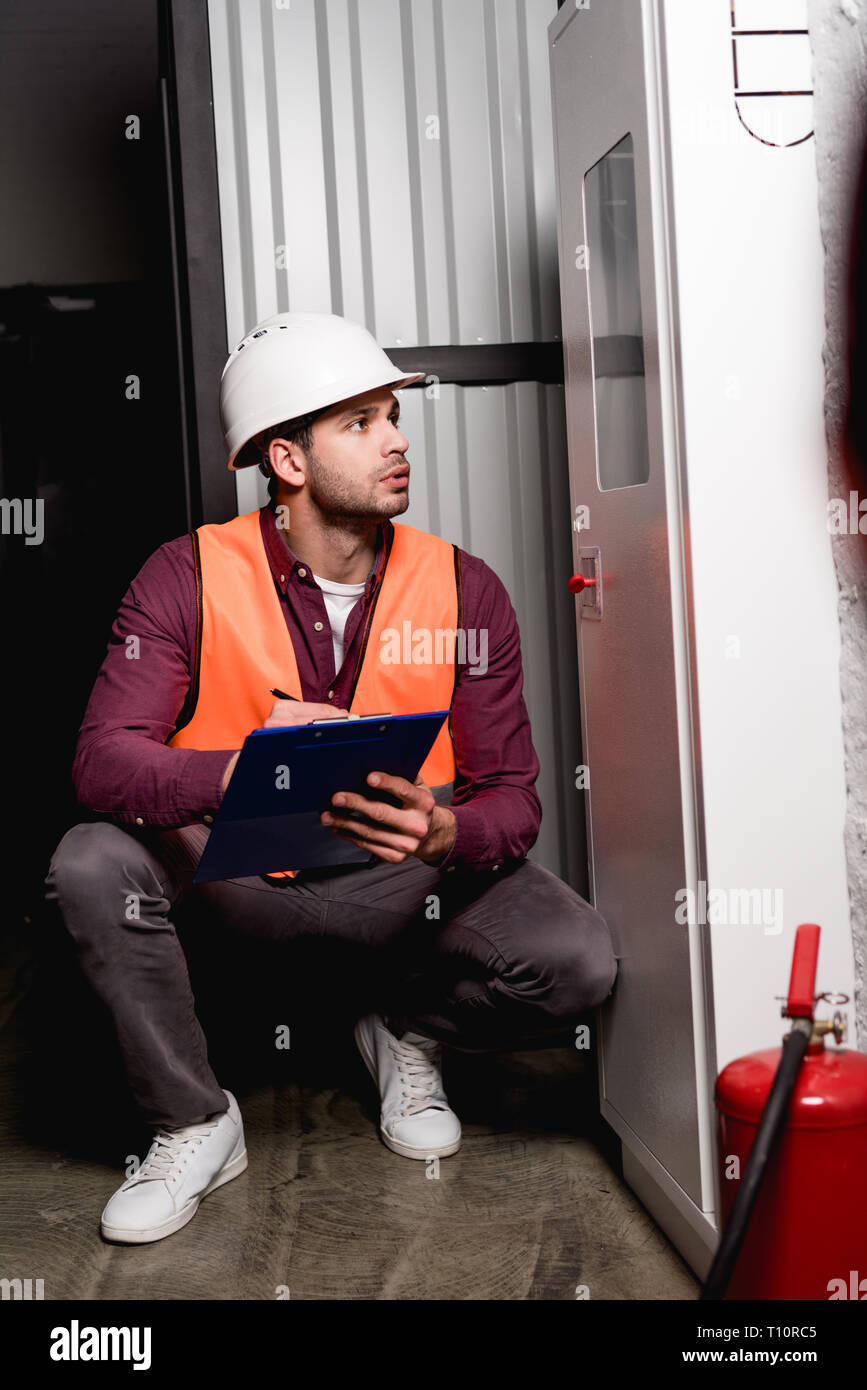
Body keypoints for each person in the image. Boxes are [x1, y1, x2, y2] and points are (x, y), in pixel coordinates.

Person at [44, 311, 618, 1245]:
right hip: (231, 884)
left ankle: (405, 1034)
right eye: (360, 423)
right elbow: (101, 762)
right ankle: (193, 1121)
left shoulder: (466, 588)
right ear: (287, 460)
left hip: (398, 887)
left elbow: (513, 797)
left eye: (392, 417)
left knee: (575, 957)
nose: (396, 441)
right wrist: (240, 771)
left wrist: (447, 832)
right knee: (89, 861)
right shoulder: (184, 575)